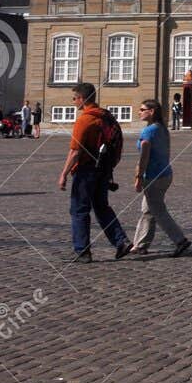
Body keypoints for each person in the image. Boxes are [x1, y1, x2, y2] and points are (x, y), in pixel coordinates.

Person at [57, 82, 133, 262]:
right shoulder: (107, 116)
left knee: (79, 209)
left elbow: (75, 151)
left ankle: (82, 250)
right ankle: (121, 242)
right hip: (104, 169)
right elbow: (117, 145)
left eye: (75, 99)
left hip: (86, 170)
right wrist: (109, 167)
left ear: (82, 99)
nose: (73, 102)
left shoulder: (85, 119)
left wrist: (64, 174)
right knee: (101, 206)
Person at [131, 99, 190, 257]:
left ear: (151, 112)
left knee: (158, 211)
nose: (139, 112)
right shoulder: (162, 129)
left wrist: (138, 177)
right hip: (165, 174)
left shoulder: (148, 132)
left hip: (153, 177)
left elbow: (144, 157)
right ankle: (140, 245)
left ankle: (180, 240)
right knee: (147, 210)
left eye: (142, 109)